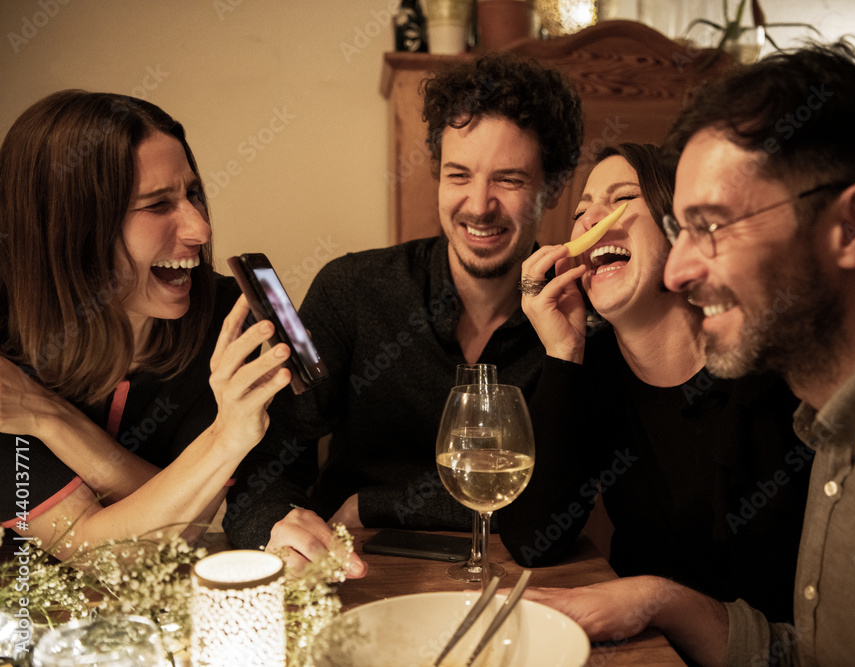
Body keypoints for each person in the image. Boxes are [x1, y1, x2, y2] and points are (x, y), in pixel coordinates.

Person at [525, 41, 855, 666]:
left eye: (712, 226)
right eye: (682, 231)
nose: (681, 270)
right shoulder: (835, 425)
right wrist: (661, 599)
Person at [224, 52, 585, 564]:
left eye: (509, 179)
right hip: (356, 568)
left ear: (552, 188)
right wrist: (277, 526)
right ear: (436, 174)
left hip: (516, 579)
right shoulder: (354, 289)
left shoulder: (577, 325)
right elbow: (265, 467)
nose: (479, 205)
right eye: (459, 175)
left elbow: (555, 518)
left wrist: (370, 505)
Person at [0, 91, 361, 577]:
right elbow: (101, 552)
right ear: (71, 229)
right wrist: (223, 441)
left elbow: (182, 533)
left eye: (192, 194)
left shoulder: (227, 319)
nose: (201, 228)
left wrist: (49, 418)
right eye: (156, 205)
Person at [499, 143, 809, 625]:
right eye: (581, 210)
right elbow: (531, 542)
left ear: (680, 230)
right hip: (644, 646)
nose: (589, 220)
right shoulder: (594, 368)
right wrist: (563, 353)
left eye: (621, 199)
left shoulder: (766, 373)